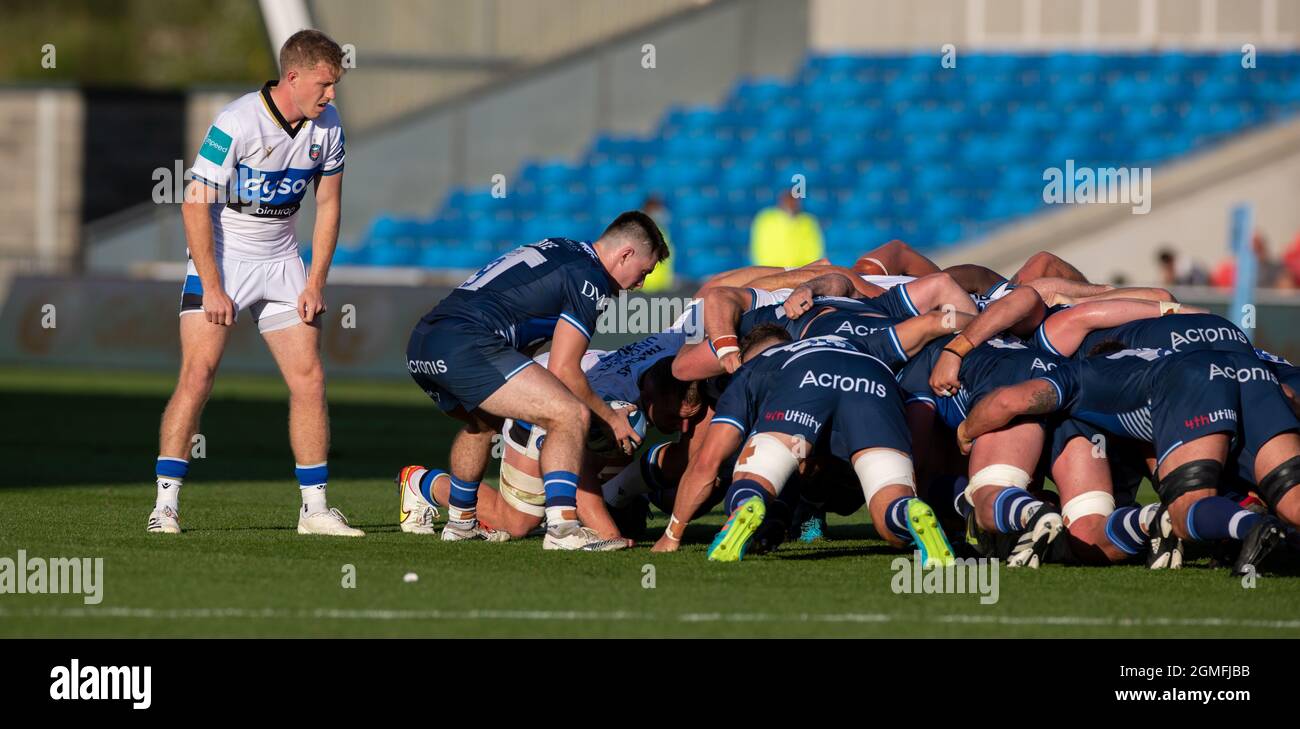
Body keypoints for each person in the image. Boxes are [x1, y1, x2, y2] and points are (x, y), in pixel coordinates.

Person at [148, 30, 355, 536]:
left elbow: (329, 206)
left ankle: (314, 510)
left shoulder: (328, 126)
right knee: (198, 374)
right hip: (224, 260)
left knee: (309, 378)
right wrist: (213, 285)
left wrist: (315, 281)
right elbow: (194, 203)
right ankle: (165, 505)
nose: (331, 95)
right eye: (325, 84)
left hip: (283, 262)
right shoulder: (236, 121)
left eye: (335, 85)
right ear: (293, 77)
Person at [397, 212, 667, 550]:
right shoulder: (591, 279)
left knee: (483, 423)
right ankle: (563, 530)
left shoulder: (562, 248)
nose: (640, 284)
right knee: (570, 414)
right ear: (625, 254)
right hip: (467, 343)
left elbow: (521, 331)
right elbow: (564, 370)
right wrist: (610, 418)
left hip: (424, 343)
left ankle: (461, 522)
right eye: (644, 272)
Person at [749, 190, 824, 268]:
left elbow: (815, 249)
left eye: (794, 201)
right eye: (788, 200)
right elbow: (759, 248)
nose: (791, 203)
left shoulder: (808, 221)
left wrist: (806, 267)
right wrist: (768, 269)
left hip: (802, 269)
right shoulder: (766, 219)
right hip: (772, 269)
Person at [640, 195, 675, 293]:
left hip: (661, 287)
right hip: (644, 288)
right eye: (655, 209)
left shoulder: (662, 230)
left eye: (659, 209)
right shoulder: (640, 231)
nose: (659, 212)